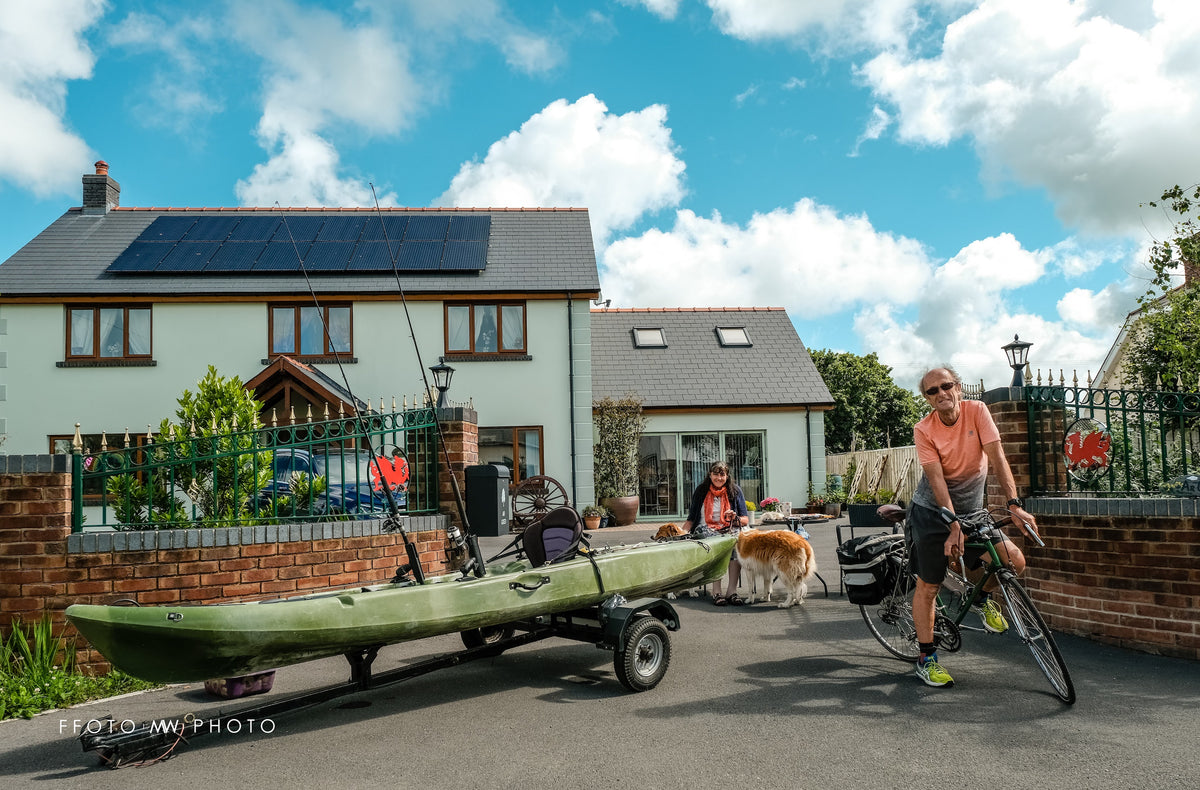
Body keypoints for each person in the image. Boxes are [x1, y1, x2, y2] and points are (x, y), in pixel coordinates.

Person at [908, 366, 1038, 688]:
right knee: (930, 585)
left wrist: (1014, 504)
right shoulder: (924, 429)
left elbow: (997, 457)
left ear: (958, 387)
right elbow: (937, 480)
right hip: (931, 512)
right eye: (932, 391)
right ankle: (926, 659)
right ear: (927, 399)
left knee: (1012, 560)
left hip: (972, 510)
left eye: (945, 386)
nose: (941, 394)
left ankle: (979, 599)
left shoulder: (977, 411)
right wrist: (952, 524)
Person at [680, 461, 749, 605]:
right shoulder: (701, 491)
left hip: (728, 527)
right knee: (718, 542)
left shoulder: (735, 491)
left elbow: (745, 519)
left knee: (736, 542)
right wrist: (681, 534)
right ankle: (716, 591)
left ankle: (731, 591)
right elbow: (691, 519)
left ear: (727, 476)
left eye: (722, 474)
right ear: (710, 475)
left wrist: (734, 518)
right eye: (716, 474)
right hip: (705, 528)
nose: (719, 478)